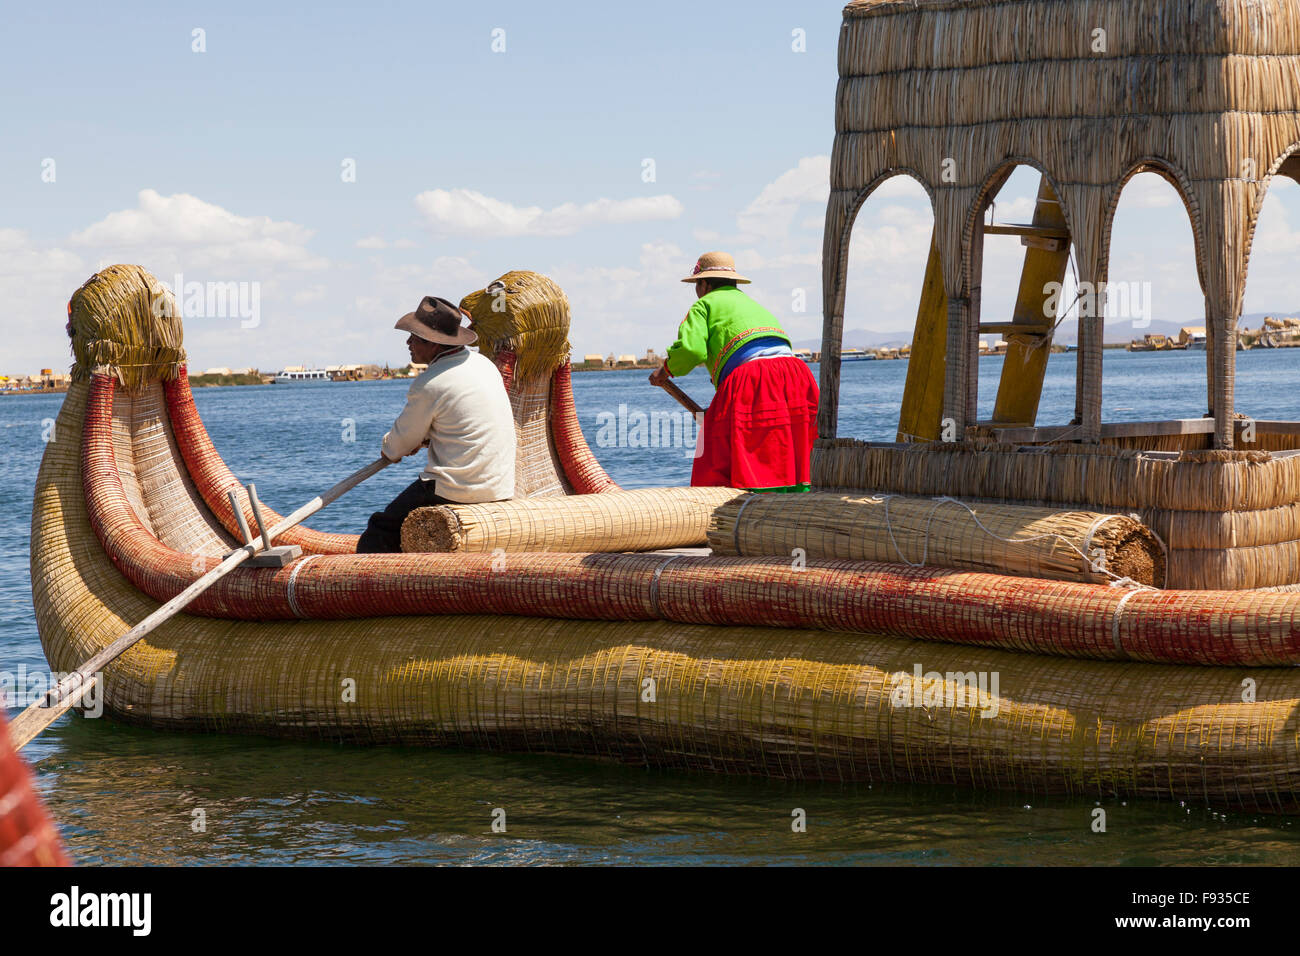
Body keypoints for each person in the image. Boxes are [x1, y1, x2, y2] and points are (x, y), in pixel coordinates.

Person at [357, 295, 516, 553]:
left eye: (414, 336)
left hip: (458, 489)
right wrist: (428, 437)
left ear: (433, 343)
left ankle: (375, 588)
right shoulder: (484, 365)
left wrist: (392, 448)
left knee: (379, 531)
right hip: (500, 486)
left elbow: (395, 448)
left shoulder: (430, 383)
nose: (408, 342)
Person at [649, 251, 818, 492]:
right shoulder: (750, 303)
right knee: (790, 448)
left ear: (704, 284)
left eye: (697, 285)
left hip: (753, 376)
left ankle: (723, 515)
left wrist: (665, 370)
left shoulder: (703, 305)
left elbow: (691, 351)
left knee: (715, 454)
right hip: (796, 375)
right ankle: (795, 505)